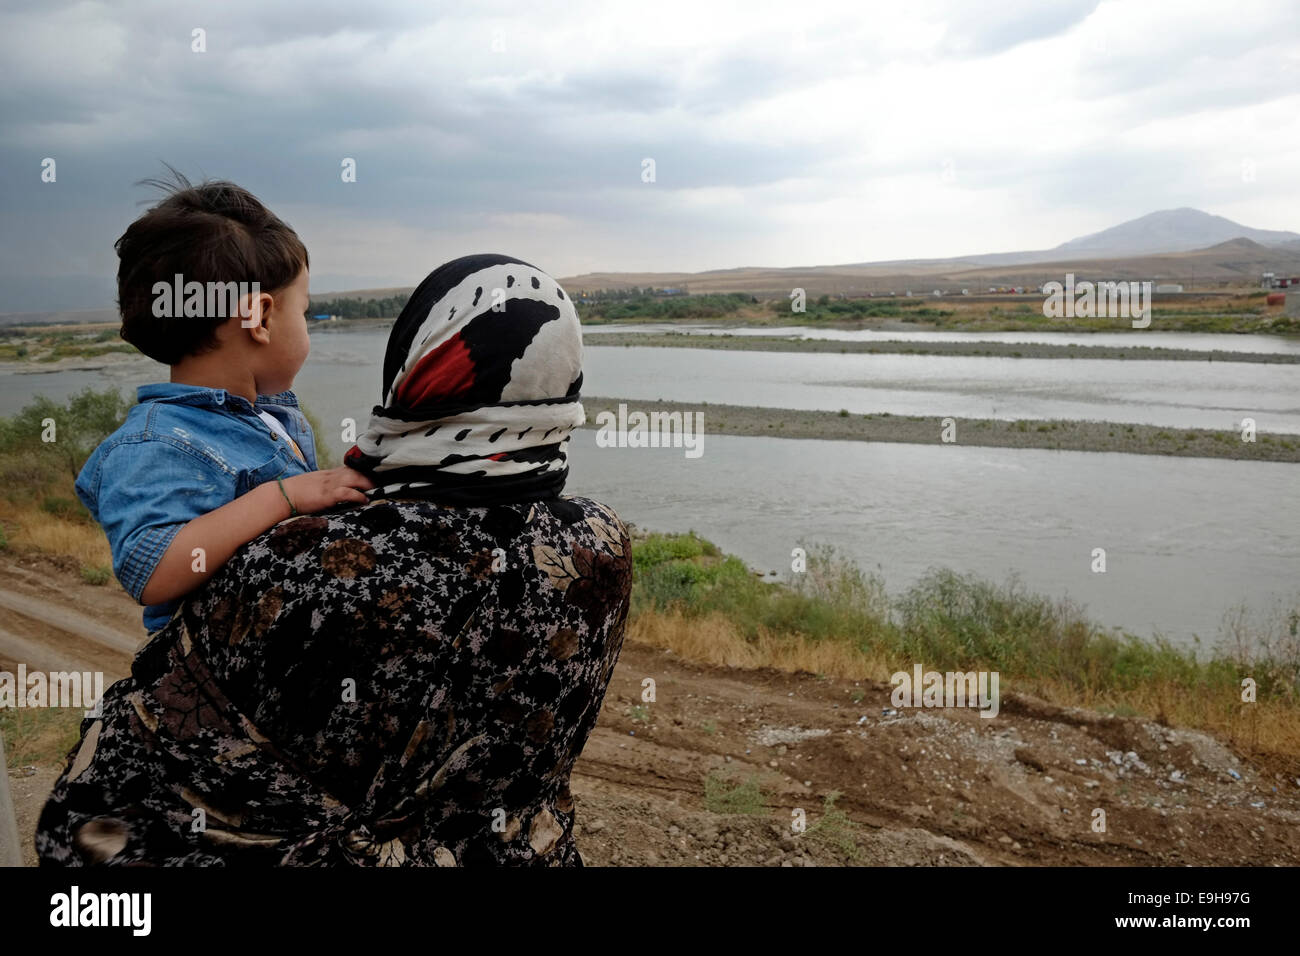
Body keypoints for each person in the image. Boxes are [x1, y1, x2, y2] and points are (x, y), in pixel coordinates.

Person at [36, 254, 633, 866]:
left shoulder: (308, 561)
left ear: (418, 365)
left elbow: (141, 783)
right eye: (306, 308)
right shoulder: (601, 542)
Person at [75, 173, 373, 634]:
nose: (307, 325)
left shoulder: (268, 417)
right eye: (305, 311)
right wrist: (284, 497)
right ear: (260, 318)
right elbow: (151, 570)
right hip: (218, 682)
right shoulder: (156, 441)